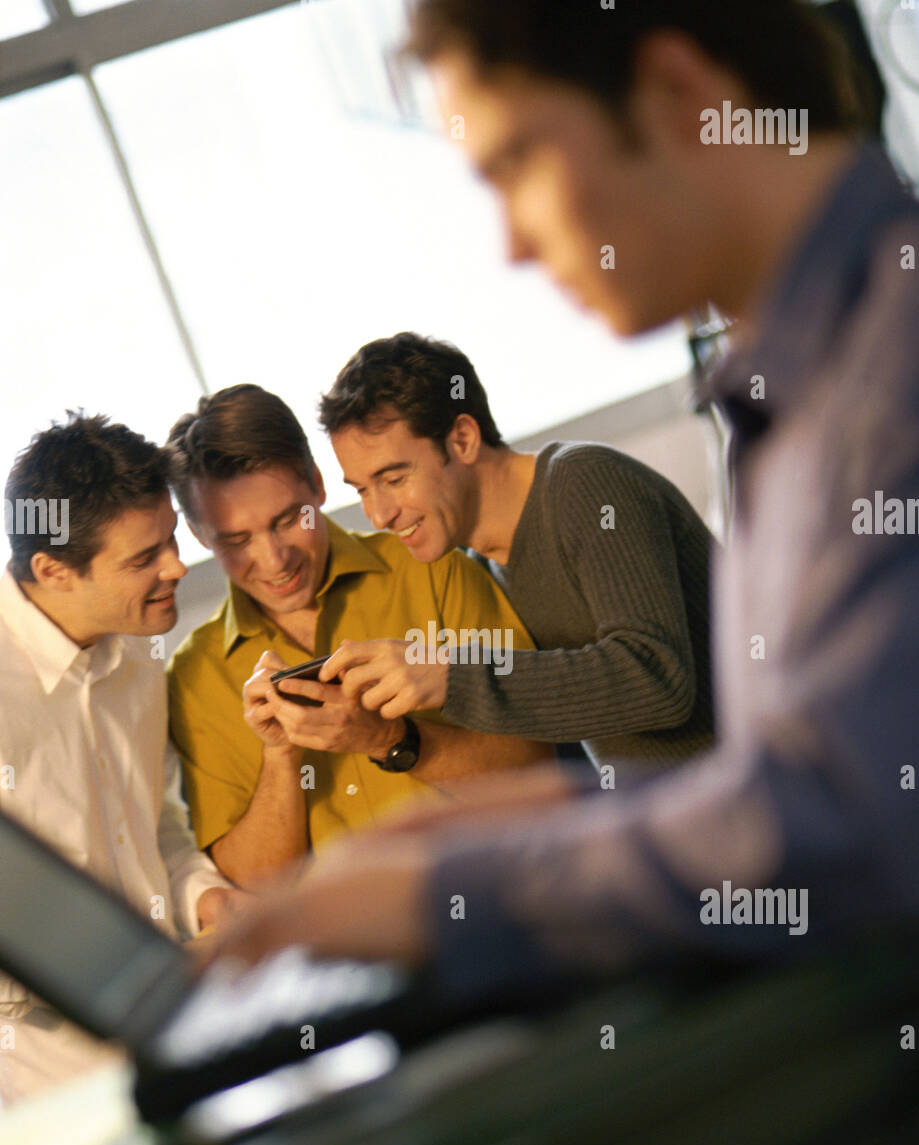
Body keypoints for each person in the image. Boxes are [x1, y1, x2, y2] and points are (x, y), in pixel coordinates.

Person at [212, 0, 919, 992]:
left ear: (676, 95)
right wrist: (472, 803)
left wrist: (450, 894)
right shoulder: (794, 398)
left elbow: (839, 829)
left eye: (518, 164)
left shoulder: (884, 378)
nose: (511, 244)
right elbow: (777, 774)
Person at [165, 384, 547, 889]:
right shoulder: (195, 676)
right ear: (198, 538)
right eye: (236, 541)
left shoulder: (432, 573)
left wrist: (389, 739)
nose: (274, 559)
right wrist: (280, 758)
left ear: (318, 484)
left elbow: (538, 769)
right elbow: (253, 884)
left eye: (287, 520)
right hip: (352, 953)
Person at [317, 331, 715, 782]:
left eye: (393, 478)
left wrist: (452, 676)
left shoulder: (586, 485)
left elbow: (657, 681)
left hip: (770, 808)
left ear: (463, 439)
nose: (379, 514)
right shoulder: (479, 564)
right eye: (363, 490)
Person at [0, 413, 239, 1106]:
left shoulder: (137, 656)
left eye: (168, 540)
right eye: (144, 559)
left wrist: (204, 896)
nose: (176, 568)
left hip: (165, 1005)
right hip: (32, 1059)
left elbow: (154, 823)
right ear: (53, 571)